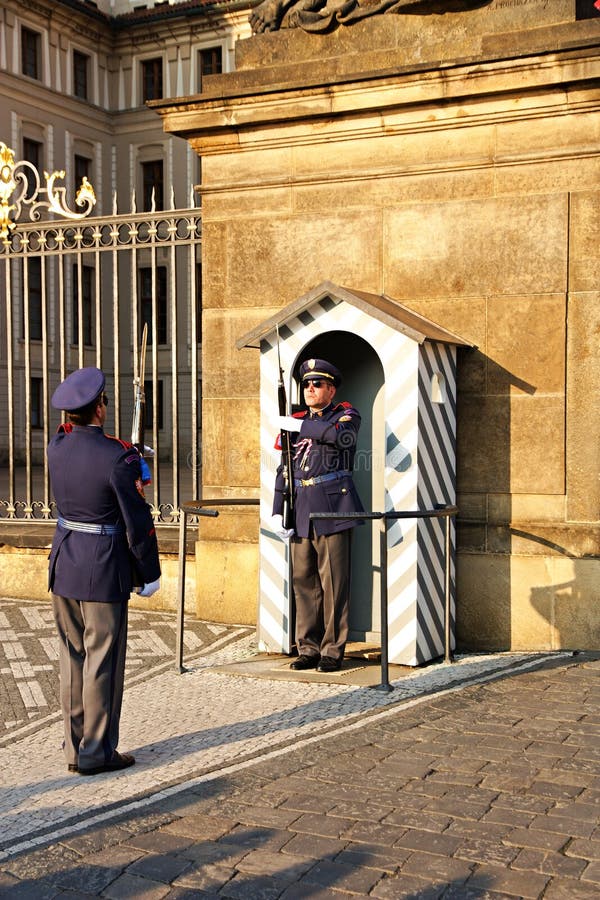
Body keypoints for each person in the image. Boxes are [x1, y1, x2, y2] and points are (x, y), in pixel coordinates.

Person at [47, 367, 161, 776]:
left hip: (65, 562)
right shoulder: (119, 457)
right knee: (102, 661)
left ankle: (76, 750)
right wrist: (149, 570)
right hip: (103, 565)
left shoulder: (56, 446)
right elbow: (137, 519)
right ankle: (97, 751)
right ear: (100, 408)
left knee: (72, 658)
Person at [272, 358, 364, 672]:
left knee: (334, 583)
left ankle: (333, 649)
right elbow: (284, 467)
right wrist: (277, 510)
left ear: (331, 388)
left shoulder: (346, 416)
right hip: (300, 508)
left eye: (318, 384)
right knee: (303, 581)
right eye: (307, 384)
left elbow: (342, 438)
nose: (310, 389)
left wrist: (300, 426)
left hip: (333, 508)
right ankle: (308, 648)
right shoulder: (295, 419)